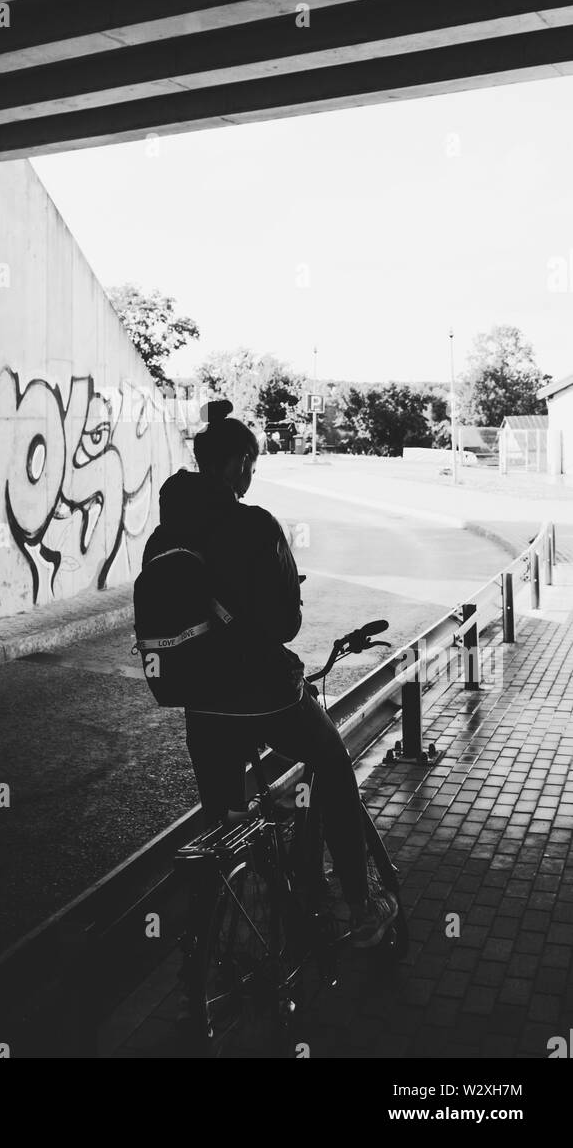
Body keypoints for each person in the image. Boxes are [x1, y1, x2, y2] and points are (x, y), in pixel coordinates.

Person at [142, 400, 397, 948]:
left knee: (223, 820)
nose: (251, 475)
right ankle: (360, 904)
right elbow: (283, 624)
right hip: (264, 695)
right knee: (331, 761)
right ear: (235, 465)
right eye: (250, 464)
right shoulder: (255, 525)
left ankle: (222, 935)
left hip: (200, 703)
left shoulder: (164, 536)